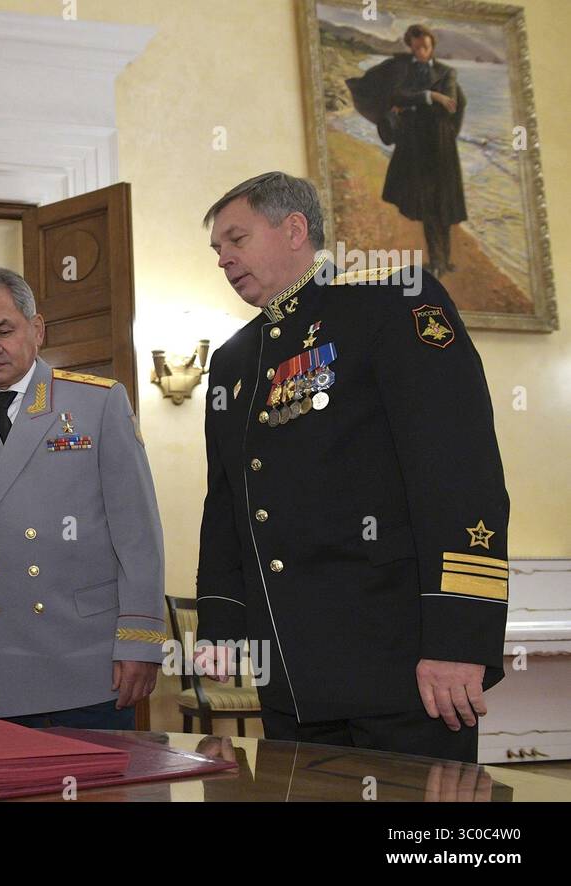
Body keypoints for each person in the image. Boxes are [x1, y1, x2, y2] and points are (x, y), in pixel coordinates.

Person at [194, 171, 508, 762]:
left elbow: (460, 477)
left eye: (236, 239)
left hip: (403, 664)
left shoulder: (392, 304)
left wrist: (459, 638)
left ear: (294, 230)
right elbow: (227, 506)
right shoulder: (235, 360)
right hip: (291, 671)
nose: (224, 259)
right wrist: (221, 627)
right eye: (217, 250)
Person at [0, 266, 165, 729]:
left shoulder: (97, 405)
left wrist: (141, 639)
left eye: (4, 330)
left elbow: (138, 534)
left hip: (87, 662)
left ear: (37, 328)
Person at [346, 23, 467, 276]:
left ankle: (441, 261)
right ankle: (439, 261)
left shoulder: (448, 72)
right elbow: (397, 96)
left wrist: (445, 125)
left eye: (426, 46)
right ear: (411, 47)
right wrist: (431, 97)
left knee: (439, 204)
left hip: (441, 147)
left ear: (432, 46)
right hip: (417, 147)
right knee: (428, 204)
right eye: (417, 47)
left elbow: (454, 105)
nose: (422, 51)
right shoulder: (407, 70)